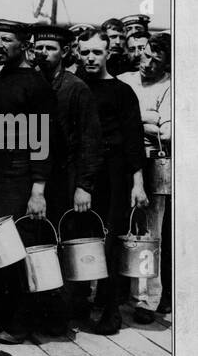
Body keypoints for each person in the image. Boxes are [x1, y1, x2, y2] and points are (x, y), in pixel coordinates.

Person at [0, 21, 59, 344]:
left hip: (20, 177)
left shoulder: (35, 86)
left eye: (6, 39)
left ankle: (22, 322)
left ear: (24, 45)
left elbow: (43, 142)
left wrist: (38, 189)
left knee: (19, 251)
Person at [30, 24, 103, 334]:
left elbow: (91, 141)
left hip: (67, 180)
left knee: (63, 245)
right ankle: (40, 310)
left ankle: (61, 317)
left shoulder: (75, 89)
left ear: (63, 53)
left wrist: (84, 186)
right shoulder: (31, 84)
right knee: (39, 245)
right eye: (39, 48)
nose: (43, 54)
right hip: (35, 180)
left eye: (50, 49)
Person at [76, 28, 149, 335]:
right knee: (79, 237)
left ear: (108, 53)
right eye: (85, 52)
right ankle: (78, 303)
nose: (90, 57)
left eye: (96, 52)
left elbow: (133, 139)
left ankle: (109, 310)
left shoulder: (121, 92)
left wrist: (138, 183)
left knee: (109, 242)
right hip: (83, 175)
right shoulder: (76, 88)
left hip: (115, 175)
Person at [116, 31, 172, 321]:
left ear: (167, 65)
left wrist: (130, 120)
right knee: (124, 230)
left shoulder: (169, 87)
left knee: (151, 236)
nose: (147, 63)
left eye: (156, 60)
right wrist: (147, 118)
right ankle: (122, 291)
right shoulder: (124, 79)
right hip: (122, 162)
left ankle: (147, 300)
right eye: (147, 54)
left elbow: (166, 132)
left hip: (153, 164)